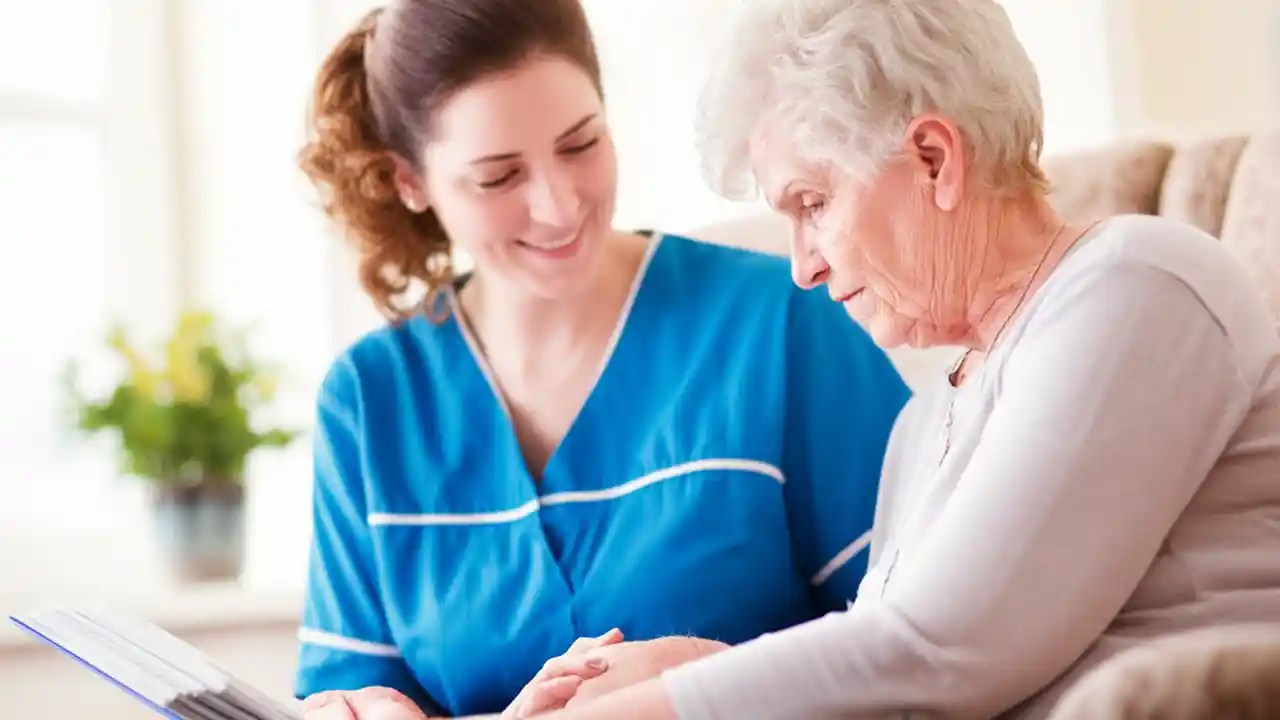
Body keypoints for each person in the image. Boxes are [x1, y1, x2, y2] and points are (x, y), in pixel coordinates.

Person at [343, 0, 1279, 717]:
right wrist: (703, 669)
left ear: (933, 159)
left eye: (811, 202)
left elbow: (944, 651)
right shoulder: (928, 423)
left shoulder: (1137, 283)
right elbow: (886, 669)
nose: (802, 264)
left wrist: (651, 706)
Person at [292, 0, 909, 717]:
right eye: (498, 177)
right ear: (410, 182)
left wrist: (712, 679)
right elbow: (338, 699)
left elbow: (927, 635)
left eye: (580, 144)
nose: (558, 207)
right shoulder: (370, 402)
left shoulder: (781, 325)